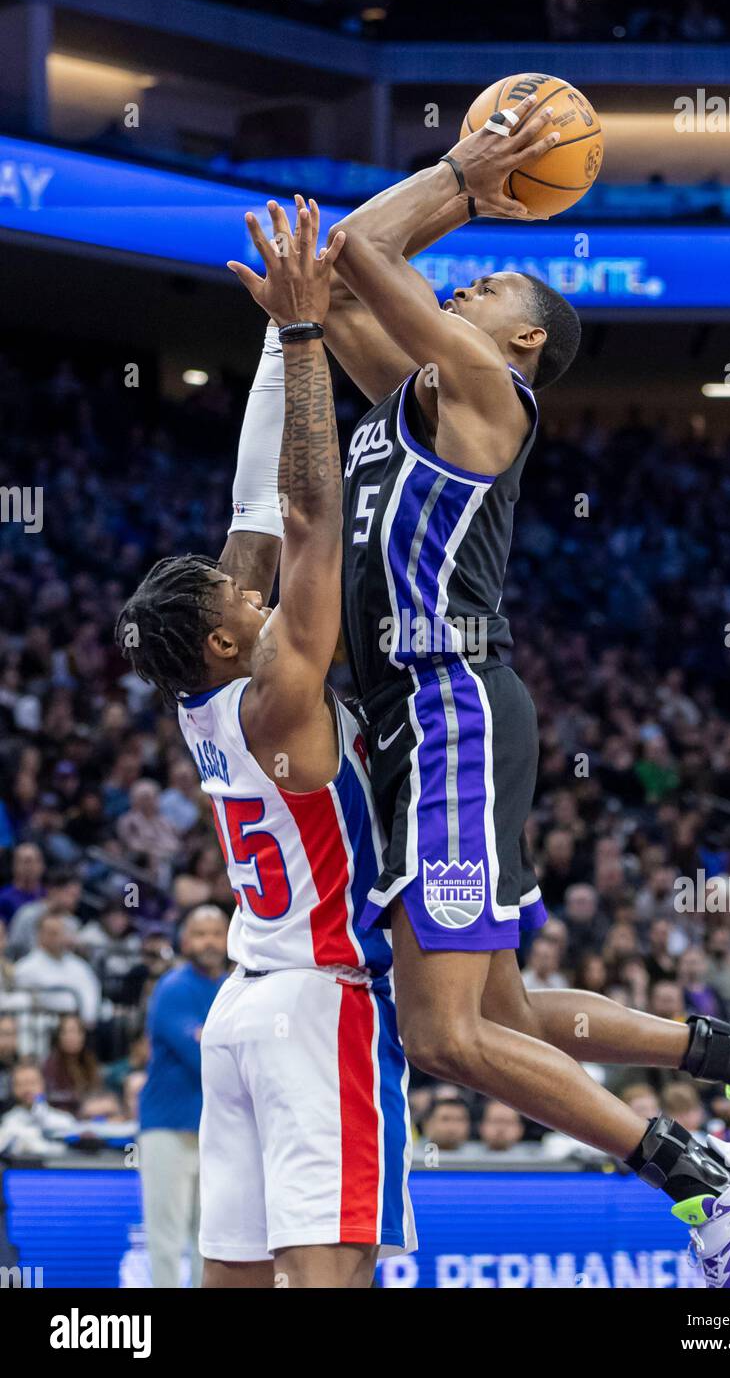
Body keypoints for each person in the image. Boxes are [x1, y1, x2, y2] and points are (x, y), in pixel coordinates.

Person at [318, 95, 730, 1287]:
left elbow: (359, 250)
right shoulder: (415, 397)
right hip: (415, 721)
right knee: (493, 1013)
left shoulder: (487, 396)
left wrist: (460, 174)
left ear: (524, 344)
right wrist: (459, 190)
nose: (466, 284)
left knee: (441, 1033)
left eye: (489, 285)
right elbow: (340, 288)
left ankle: (708, 1174)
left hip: (447, 704)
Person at [116, 199, 415, 1289]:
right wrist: (301, 340)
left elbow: (252, 497)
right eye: (229, 599)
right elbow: (306, 517)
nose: (244, 590)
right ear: (220, 637)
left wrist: (273, 330)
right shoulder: (276, 694)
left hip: (245, 1012)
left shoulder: (208, 695)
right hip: (314, 1001)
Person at [137, 906, 229, 1289]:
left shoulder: (233, 986)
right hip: (167, 1128)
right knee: (165, 1238)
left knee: (208, 1239)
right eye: (200, 933)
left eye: (216, 933)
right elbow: (203, 1054)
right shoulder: (173, 987)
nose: (209, 941)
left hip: (217, 1133)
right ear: (186, 940)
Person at [14, 911, 101, 1027]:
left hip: (81, 1026)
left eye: (61, 933)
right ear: (39, 935)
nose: (58, 938)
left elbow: (92, 991)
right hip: (45, 1027)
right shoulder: (25, 967)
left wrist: (87, 1018)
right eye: (53, 933)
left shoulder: (79, 965)